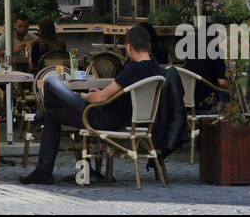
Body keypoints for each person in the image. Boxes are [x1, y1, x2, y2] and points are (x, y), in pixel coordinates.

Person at [21, 25, 165, 185]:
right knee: (52, 115)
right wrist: (101, 94)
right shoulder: (156, 69)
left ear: (129, 47)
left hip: (100, 117)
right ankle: (45, 163)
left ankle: (43, 170)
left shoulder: (133, 69)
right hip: (123, 119)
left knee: (50, 82)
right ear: (149, 45)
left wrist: (86, 96)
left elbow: (99, 97)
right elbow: (127, 94)